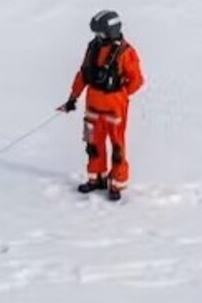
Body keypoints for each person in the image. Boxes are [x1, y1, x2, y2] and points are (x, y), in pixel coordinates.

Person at [58, 10, 145, 201]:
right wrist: (73, 98)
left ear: (111, 31)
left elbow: (137, 81)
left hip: (115, 108)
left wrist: (120, 94)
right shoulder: (92, 47)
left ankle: (116, 182)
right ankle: (95, 178)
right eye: (96, 33)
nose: (97, 37)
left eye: (100, 33)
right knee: (92, 144)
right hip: (92, 107)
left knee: (117, 147)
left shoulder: (126, 53)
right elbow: (83, 74)